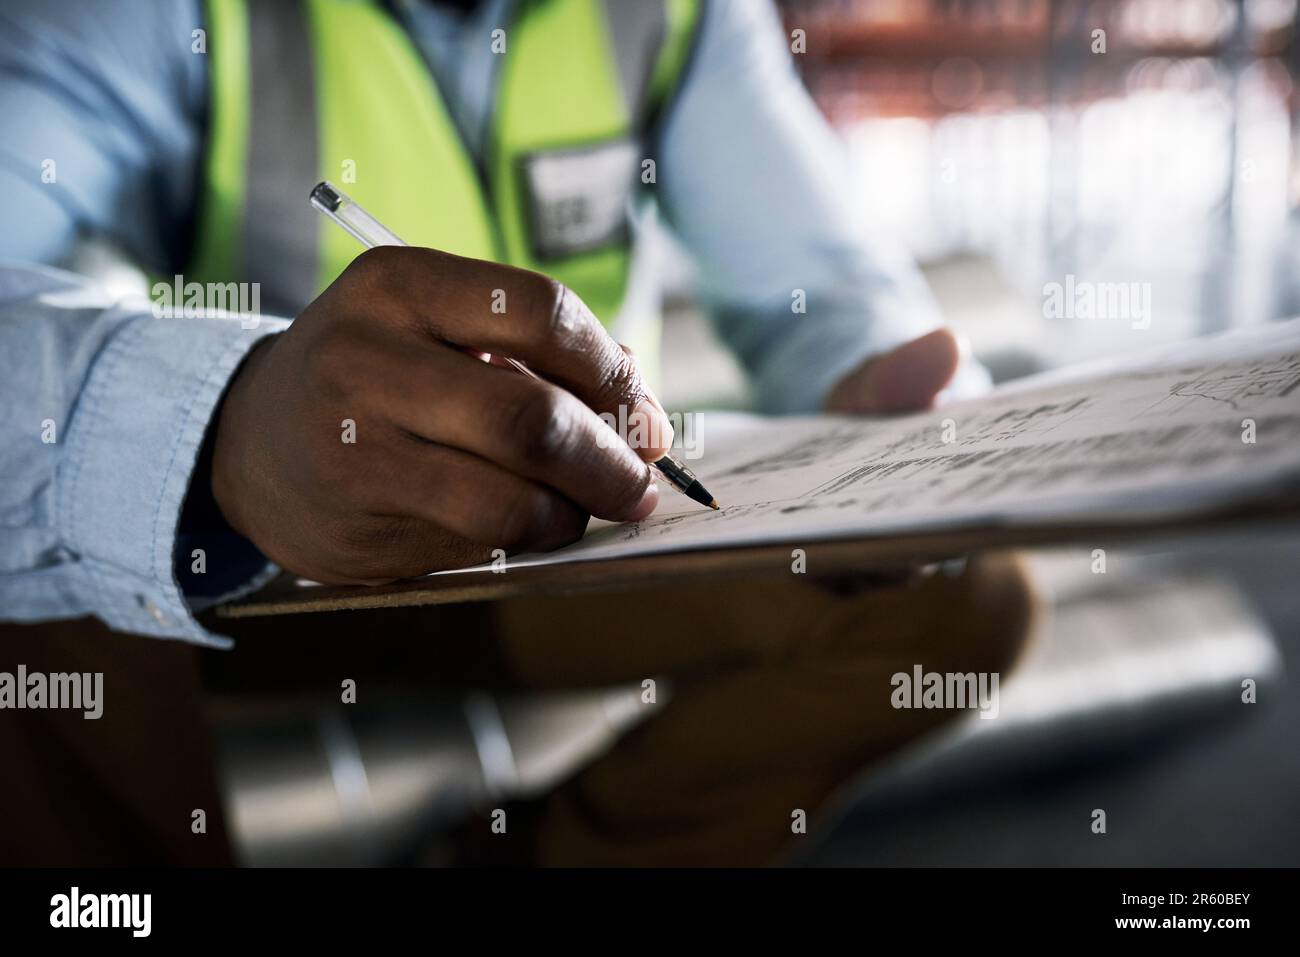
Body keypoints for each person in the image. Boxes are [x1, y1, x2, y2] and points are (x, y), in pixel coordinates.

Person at [0, 0, 1029, 865]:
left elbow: (824, 289)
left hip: (561, 537)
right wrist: (223, 424)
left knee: (951, 593)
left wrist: (882, 384)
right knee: (55, 525)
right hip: (261, 569)